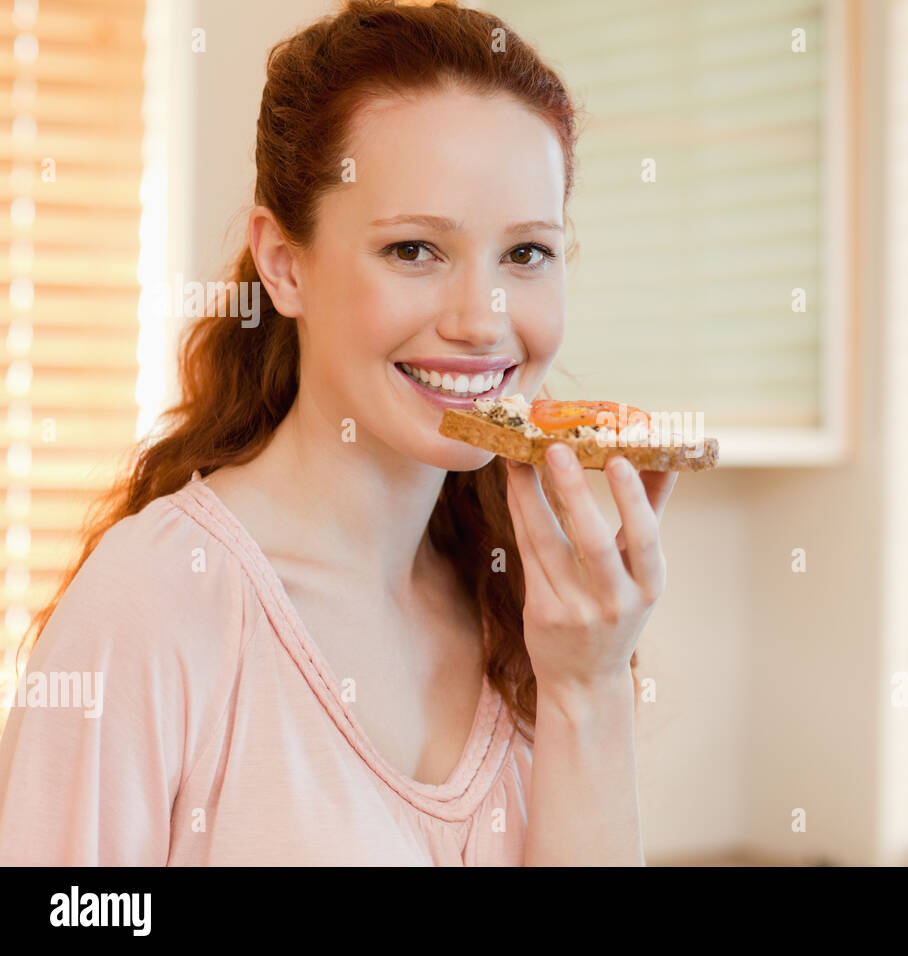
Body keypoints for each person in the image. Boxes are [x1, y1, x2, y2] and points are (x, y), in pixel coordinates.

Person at [0, 0, 676, 866]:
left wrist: (587, 688)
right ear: (284, 264)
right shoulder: (158, 605)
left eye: (526, 254)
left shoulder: (533, 616)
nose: (481, 321)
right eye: (413, 251)